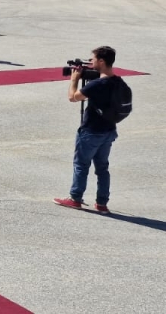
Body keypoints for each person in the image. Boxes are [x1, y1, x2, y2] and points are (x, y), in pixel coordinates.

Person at [56, 46, 128, 214]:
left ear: (101, 61)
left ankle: (75, 198)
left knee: (81, 164)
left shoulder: (96, 85)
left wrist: (74, 78)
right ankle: (102, 203)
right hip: (109, 131)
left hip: (91, 131)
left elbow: (73, 97)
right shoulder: (118, 81)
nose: (91, 63)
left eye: (93, 59)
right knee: (102, 168)